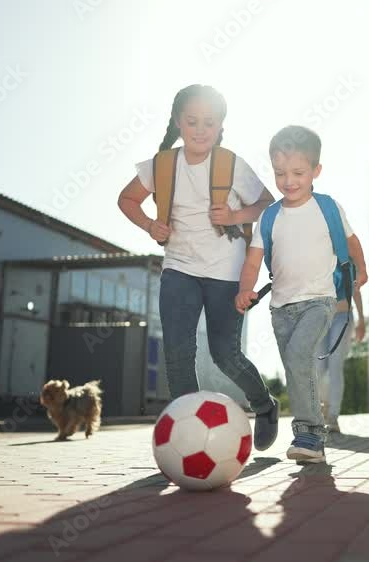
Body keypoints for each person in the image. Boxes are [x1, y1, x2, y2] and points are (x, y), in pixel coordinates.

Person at [117, 84, 280, 451]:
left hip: (226, 271)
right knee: (177, 352)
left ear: (220, 125)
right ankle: (186, 436)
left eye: (209, 122)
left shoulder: (231, 164)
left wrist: (236, 214)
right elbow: (126, 199)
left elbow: (268, 205)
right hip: (179, 267)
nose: (201, 129)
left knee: (225, 354)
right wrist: (149, 226)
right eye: (192, 121)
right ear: (178, 122)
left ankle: (265, 405)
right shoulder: (160, 165)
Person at [236, 125, 368, 464]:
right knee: (296, 368)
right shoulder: (270, 216)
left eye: (298, 172)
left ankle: (309, 435)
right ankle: (312, 437)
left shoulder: (328, 208)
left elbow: (352, 243)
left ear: (315, 171)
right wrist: (244, 289)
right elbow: (253, 260)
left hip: (321, 302)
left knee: (298, 357)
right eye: (280, 173)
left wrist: (361, 270)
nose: (289, 180)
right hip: (281, 309)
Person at [317, 285, 365, 434]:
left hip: (342, 316)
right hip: (321, 317)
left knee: (335, 365)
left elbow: (355, 290)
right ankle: (323, 405)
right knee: (318, 367)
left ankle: (333, 416)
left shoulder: (348, 261)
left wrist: (361, 320)